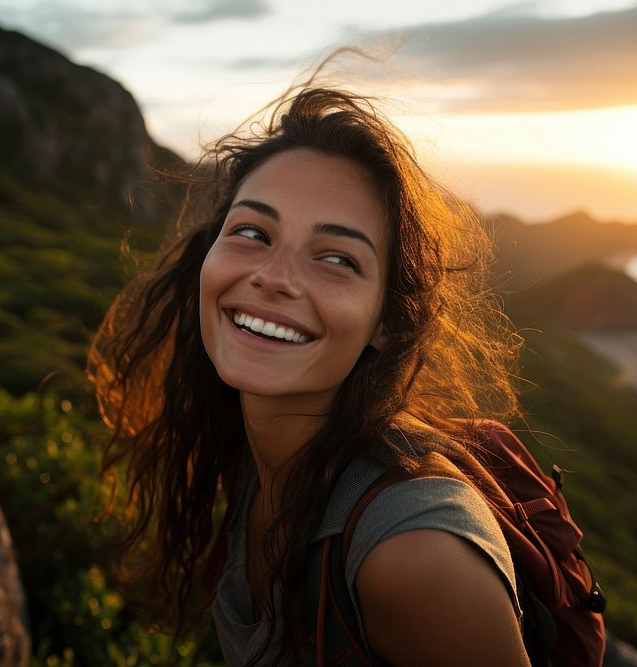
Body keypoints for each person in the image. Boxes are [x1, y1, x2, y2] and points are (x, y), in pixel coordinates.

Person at [88, 83, 528, 665]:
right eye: (252, 232)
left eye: (337, 259)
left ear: (386, 323)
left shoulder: (416, 556)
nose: (275, 277)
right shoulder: (254, 456)